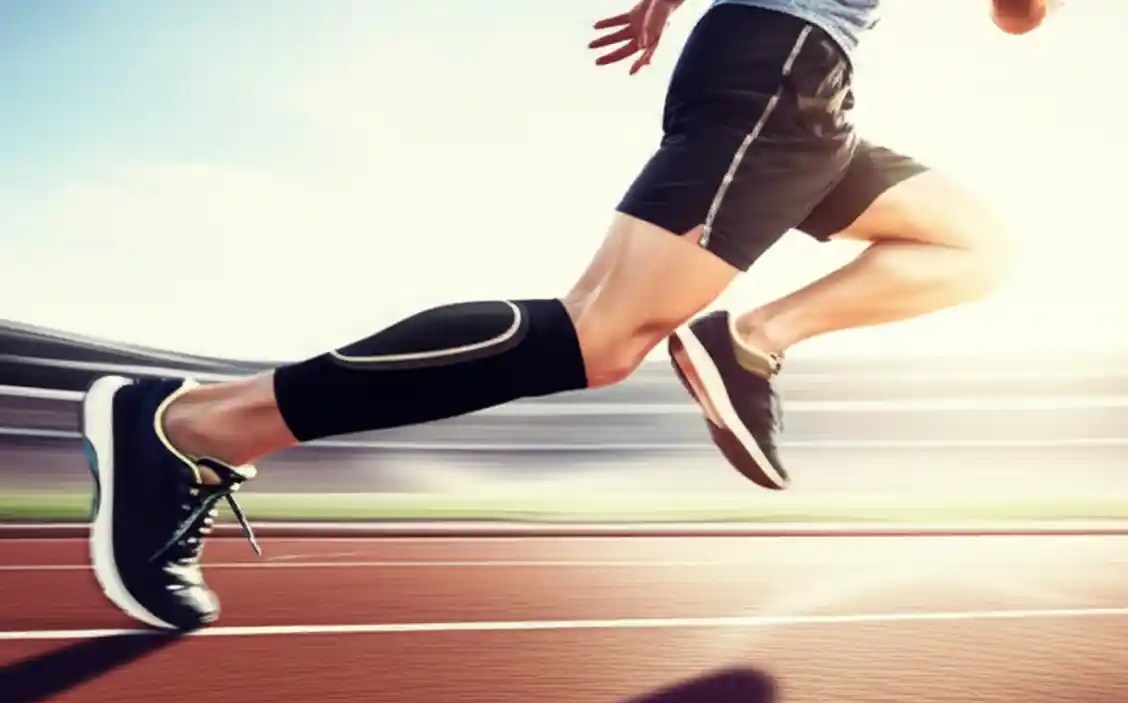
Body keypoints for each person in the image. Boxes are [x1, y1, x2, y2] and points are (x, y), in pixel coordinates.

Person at [80, 0, 1058, 630]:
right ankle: (199, 425)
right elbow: (1020, 15)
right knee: (600, 333)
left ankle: (752, 339)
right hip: (784, 67)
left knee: (973, 244)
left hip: (787, 68)